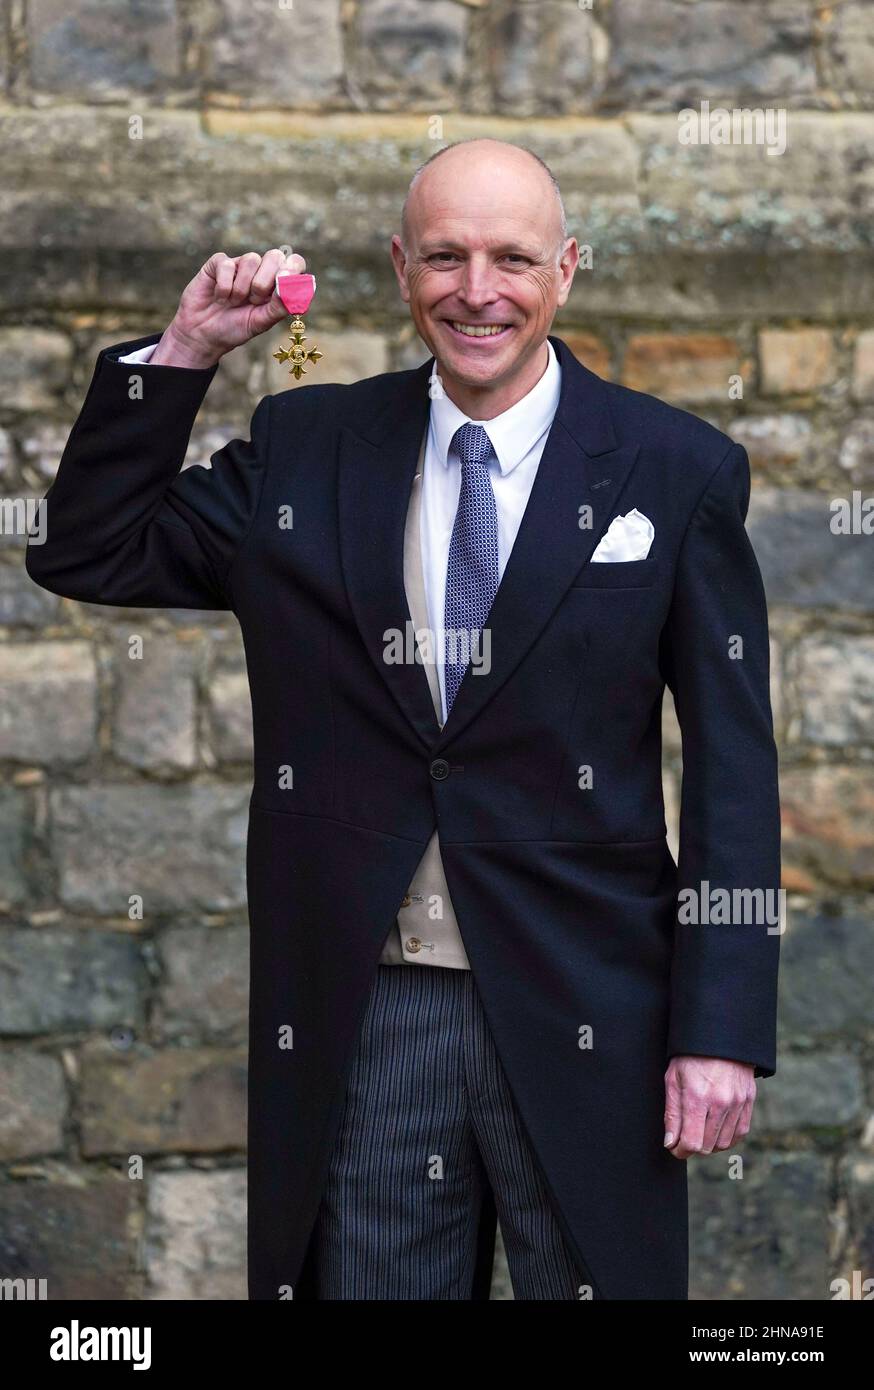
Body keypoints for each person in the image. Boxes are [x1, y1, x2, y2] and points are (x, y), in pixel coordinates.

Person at [25, 138, 781, 1301]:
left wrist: (718, 1027)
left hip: (591, 1010)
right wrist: (182, 354)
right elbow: (88, 548)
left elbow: (733, 766)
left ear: (566, 268)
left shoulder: (674, 470)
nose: (477, 291)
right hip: (370, 1011)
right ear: (398, 266)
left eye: (512, 258)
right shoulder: (306, 448)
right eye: (444, 256)